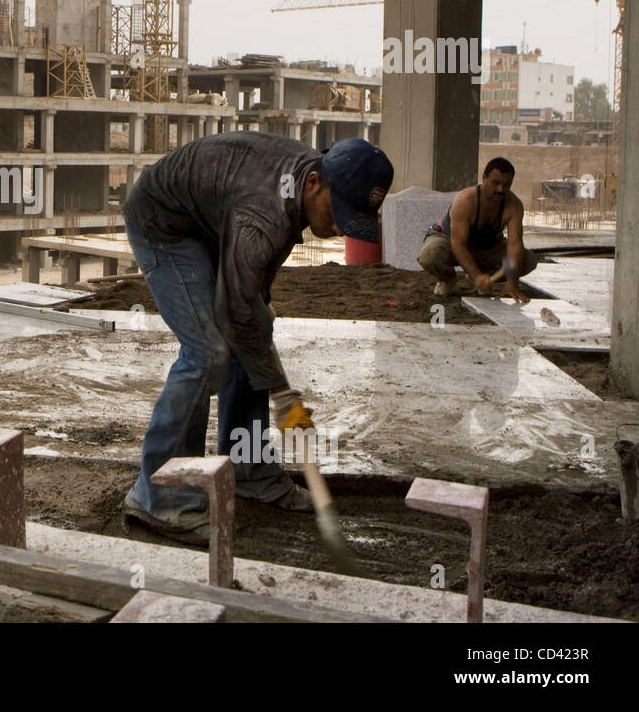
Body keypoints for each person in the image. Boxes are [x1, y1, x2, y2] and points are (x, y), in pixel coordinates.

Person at [121, 133, 394, 545]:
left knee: (253, 328)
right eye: (338, 212)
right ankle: (160, 495)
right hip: (164, 223)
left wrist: (266, 362)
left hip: (213, 218)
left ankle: (248, 467)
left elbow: (250, 305)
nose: (340, 228)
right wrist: (284, 395)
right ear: (315, 182)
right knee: (208, 352)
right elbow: (235, 313)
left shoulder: (299, 189)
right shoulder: (264, 217)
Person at [417, 157, 537, 302]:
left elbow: (515, 244)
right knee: (429, 255)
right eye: (496, 183)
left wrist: (512, 282)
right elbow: (458, 245)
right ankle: (448, 280)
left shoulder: (514, 205)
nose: (501, 190)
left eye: (506, 185)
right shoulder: (466, 200)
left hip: (488, 248)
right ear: (484, 178)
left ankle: (486, 277)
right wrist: (476, 275)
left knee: (528, 260)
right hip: (450, 242)